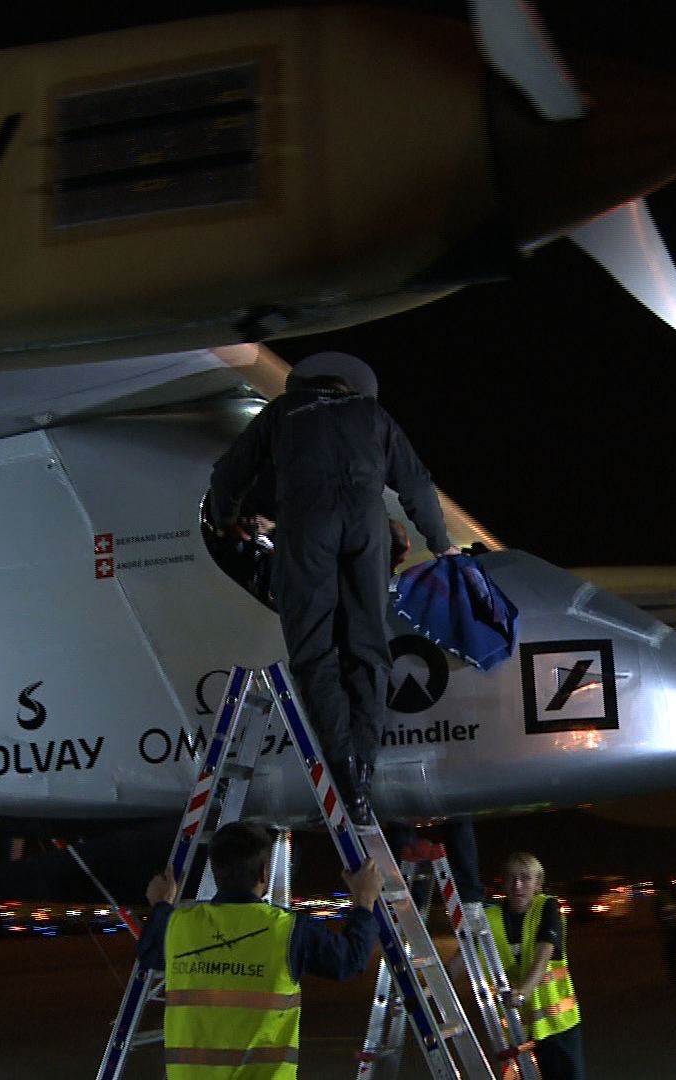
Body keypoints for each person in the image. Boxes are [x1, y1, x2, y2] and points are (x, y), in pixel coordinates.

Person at [207, 351, 458, 825]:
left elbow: (227, 474)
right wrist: (441, 544)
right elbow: (417, 485)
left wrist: (224, 520)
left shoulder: (282, 414)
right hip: (367, 529)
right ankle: (363, 769)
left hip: (307, 529)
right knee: (368, 648)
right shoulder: (372, 415)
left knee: (314, 651)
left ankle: (343, 769)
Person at [137, 821, 383, 1078]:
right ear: (265, 872)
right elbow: (350, 960)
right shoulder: (288, 930)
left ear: (216, 870)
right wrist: (365, 898)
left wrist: (160, 904)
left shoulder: (178, 926)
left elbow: (148, 951)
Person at [485, 852, 584, 1080]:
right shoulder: (490, 917)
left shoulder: (547, 908)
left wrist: (522, 993)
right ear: (503, 882)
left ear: (538, 883)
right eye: (511, 878)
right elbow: (461, 960)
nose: (517, 885)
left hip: (557, 1026)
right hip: (516, 1028)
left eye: (525, 878)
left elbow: (543, 957)